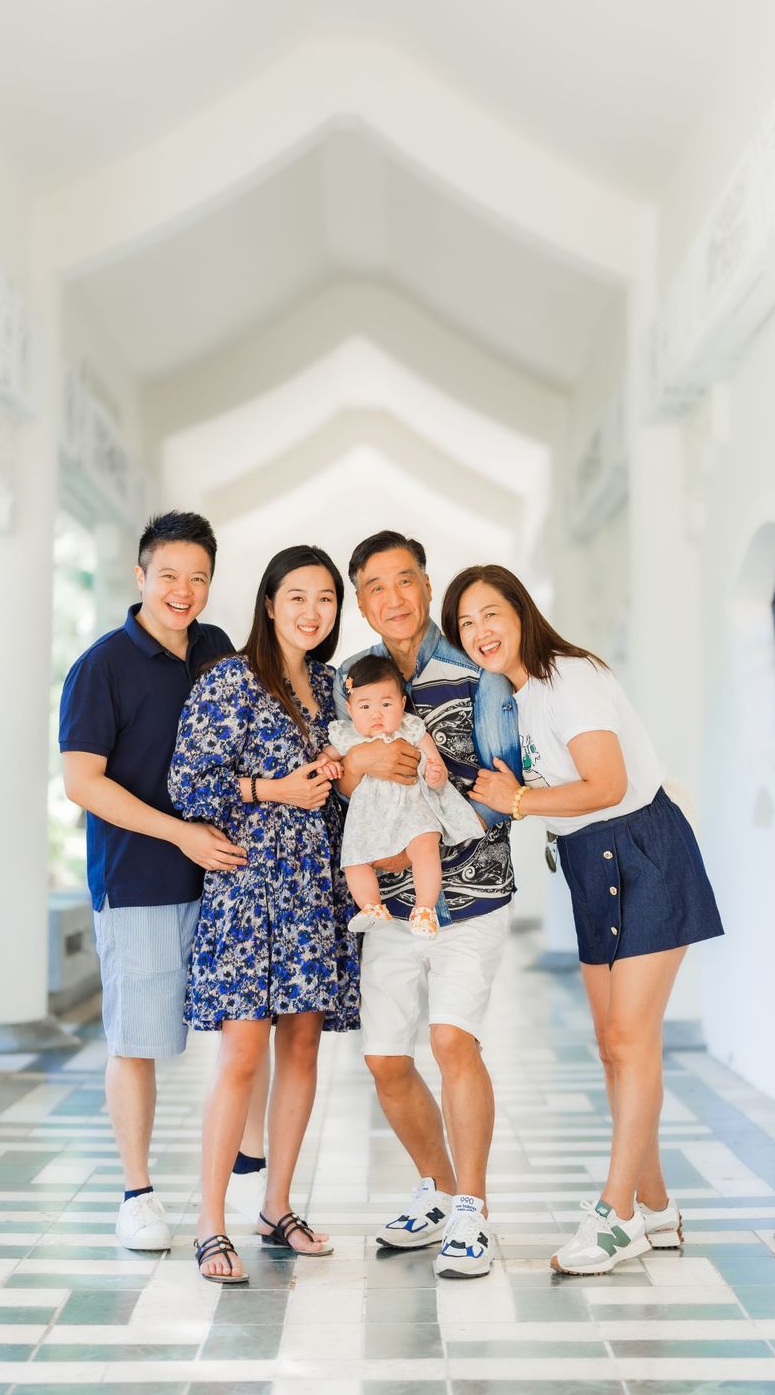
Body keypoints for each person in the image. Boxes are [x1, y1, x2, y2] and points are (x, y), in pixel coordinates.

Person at [442, 563, 724, 1276]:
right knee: (612, 1043)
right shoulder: (512, 697)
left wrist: (519, 803)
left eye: (490, 614)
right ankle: (655, 1204)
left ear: (521, 612)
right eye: (466, 624)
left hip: (644, 850)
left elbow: (609, 783)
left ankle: (616, 1214)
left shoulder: (570, 676)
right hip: (588, 861)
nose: (480, 632)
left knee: (632, 1038)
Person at [169, 544, 359, 1285]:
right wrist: (272, 790)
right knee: (242, 1055)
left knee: (304, 1051)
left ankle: (277, 1206)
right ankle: (209, 1222)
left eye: (327, 600)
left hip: (314, 891)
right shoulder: (229, 680)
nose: (314, 613)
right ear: (271, 604)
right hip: (249, 888)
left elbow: (358, 781)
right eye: (299, 598)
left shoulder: (337, 686)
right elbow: (189, 784)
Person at [336, 531, 522, 1279]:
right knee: (385, 1059)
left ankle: (472, 1208)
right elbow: (333, 782)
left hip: (470, 897)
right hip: (387, 907)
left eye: (404, 581)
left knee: (451, 1044)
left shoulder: (476, 672)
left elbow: (505, 794)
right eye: (375, 586)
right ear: (361, 600)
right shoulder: (352, 678)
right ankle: (438, 1190)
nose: (392, 598)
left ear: (424, 584)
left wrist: (432, 803)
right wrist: (358, 763)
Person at [59, 511, 247, 1252]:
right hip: (138, 880)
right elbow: (81, 783)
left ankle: (250, 1174)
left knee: (243, 1032)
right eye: (169, 575)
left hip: (225, 877)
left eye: (198, 577)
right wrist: (180, 834)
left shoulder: (216, 649)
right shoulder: (101, 666)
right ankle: (137, 1194)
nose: (184, 590)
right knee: (138, 1040)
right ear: (141, 576)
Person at [326, 653, 484, 939]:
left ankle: (424, 909)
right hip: (370, 818)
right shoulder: (348, 736)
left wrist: (436, 773)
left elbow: (435, 764)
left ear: (401, 704)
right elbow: (324, 758)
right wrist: (329, 764)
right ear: (349, 709)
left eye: (386, 704)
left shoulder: (411, 728)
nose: (377, 714)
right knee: (354, 859)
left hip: (412, 808)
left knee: (425, 847)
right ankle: (371, 906)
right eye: (365, 705)